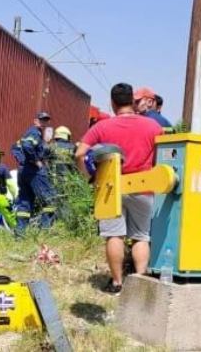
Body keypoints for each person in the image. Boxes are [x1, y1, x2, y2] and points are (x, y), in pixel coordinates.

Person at [76, 83, 163, 295]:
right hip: (143, 186)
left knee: (114, 235)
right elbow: (163, 155)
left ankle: (117, 283)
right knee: (141, 236)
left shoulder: (102, 127)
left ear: (112, 103)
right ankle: (140, 283)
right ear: (132, 101)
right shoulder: (153, 126)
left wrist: (89, 176)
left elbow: (79, 154)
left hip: (110, 188)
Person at [13, 111, 57, 231]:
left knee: (25, 202)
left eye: (46, 120)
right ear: (35, 121)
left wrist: (23, 161)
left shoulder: (31, 133)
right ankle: (45, 230)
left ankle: (20, 232)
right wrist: (35, 160)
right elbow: (27, 146)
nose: (44, 122)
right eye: (41, 120)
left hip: (24, 171)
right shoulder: (34, 132)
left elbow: (15, 147)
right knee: (49, 199)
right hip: (34, 172)